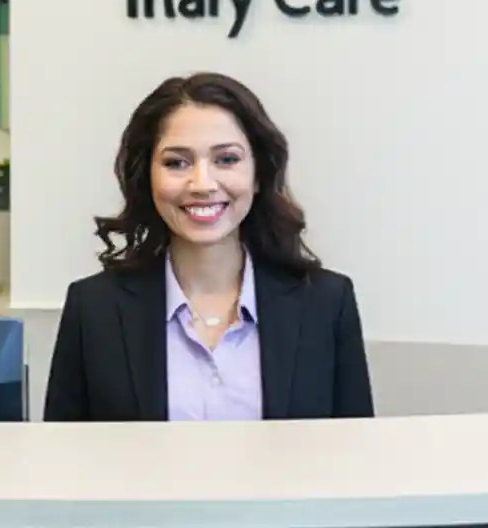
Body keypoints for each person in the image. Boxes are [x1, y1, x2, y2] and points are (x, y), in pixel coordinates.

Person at [44, 71, 374, 422]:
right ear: (147, 177)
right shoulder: (95, 309)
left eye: (226, 159)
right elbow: (67, 464)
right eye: (176, 163)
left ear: (259, 173)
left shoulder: (326, 303)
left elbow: (352, 462)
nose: (202, 184)